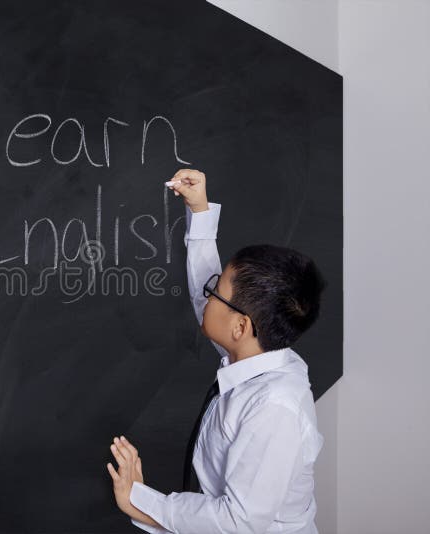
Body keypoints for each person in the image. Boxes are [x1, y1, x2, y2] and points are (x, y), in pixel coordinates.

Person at [106, 169, 327, 533]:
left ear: (240, 327)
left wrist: (141, 500)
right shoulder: (256, 354)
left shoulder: (274, 408)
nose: (206, 296)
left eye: (216, 292)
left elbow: (237, 521)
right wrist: (200, 212)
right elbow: (211, 302)